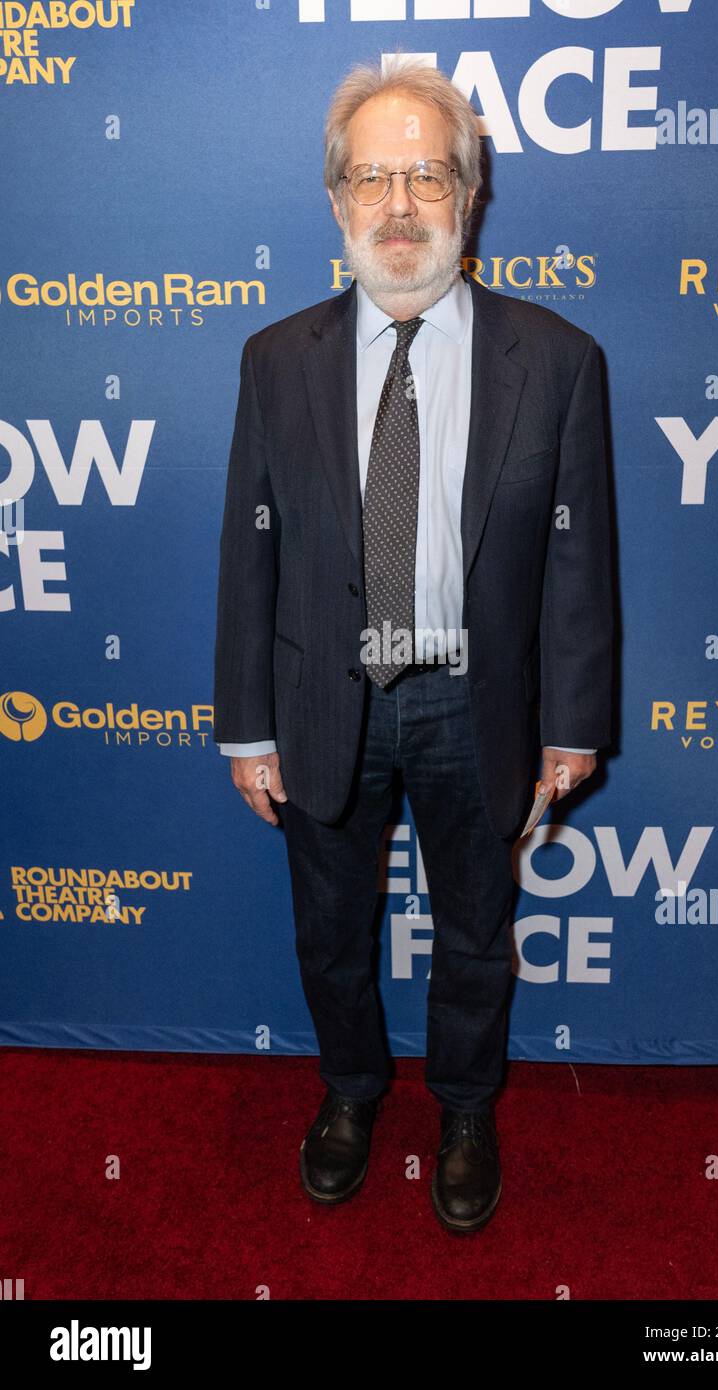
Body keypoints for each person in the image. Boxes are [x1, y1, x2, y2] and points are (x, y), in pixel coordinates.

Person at [213, 57, 613, 1234]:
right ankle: (347, 1092)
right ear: (337, 202)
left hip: (474, 701)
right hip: (327, 698)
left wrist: (572, 722)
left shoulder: (560, 360)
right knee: (330, 929)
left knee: (478, 933)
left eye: (426, 174)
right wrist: (247, 723)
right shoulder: (273, 361)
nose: (400, 205)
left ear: (469, 195)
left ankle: (467, 1105)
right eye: (373, 178)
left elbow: (579, 563)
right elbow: (253, 554)